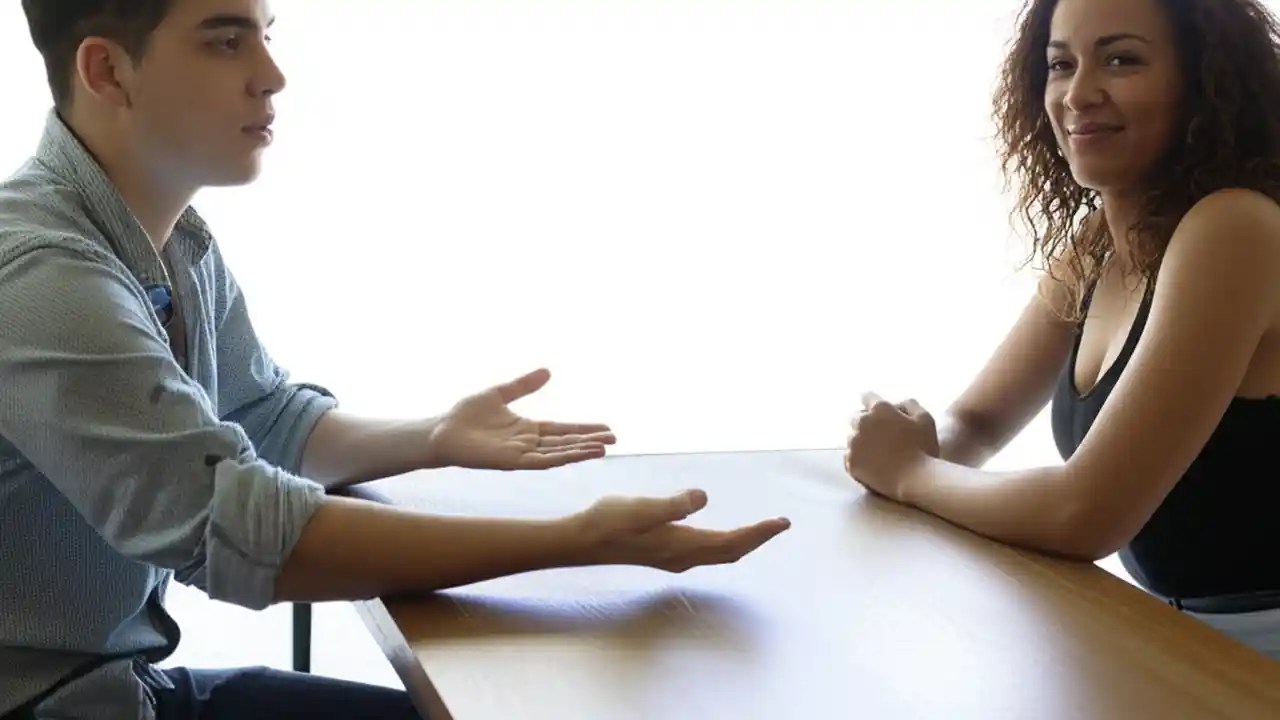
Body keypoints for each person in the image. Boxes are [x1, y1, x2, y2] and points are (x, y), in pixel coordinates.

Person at [0, 1, 792, 718]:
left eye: (266, 36)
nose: (272, 75)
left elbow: (260, 415)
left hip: (120, 689)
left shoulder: (170, 239)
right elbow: (239, 530)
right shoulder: (43, 274)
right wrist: (578, 540)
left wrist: (432, 435)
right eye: (226, 41)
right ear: (107, 70)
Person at [844, 0, 1280, 661]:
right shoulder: (1099, 241)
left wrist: (908, 473)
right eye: (1060, 64)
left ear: (1205, 79)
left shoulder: (1236, 228)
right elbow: (978, 421)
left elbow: (1086, 514)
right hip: (1179, 637)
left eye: (1121, 59)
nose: (1078, 94)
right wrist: (913, 445)